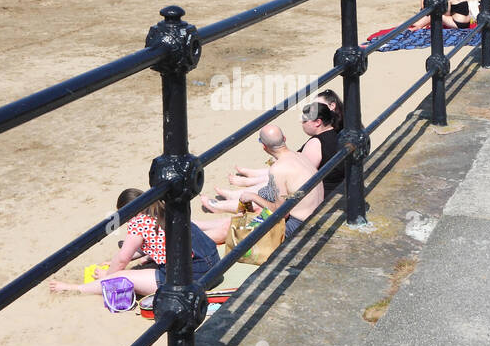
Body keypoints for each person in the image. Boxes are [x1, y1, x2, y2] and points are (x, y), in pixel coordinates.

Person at [48, 189, 220, 299]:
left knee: (121, 277)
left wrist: (107, 274)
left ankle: (77, 288)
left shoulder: (139, 221)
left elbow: (122, 259)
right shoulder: (163, 208)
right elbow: (152, 244)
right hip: (215, 265)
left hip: (193, 277)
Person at [200, 124, 323, 240]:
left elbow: (281, 213)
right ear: (284, 138)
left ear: (264, 147)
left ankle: (198, 238)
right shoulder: (300, 156)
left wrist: (253, 197)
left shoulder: (278, 169)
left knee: (241, 228)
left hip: (299, 226)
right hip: (318, 215)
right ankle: (201, 226)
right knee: (258, 214)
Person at [296, 102, 345, 198]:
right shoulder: (338, 135)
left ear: (318, 122)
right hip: (338, 191)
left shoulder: (316, 143)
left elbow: (302, 177)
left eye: (304, 120)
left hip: (323, 196)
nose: (302, 124)